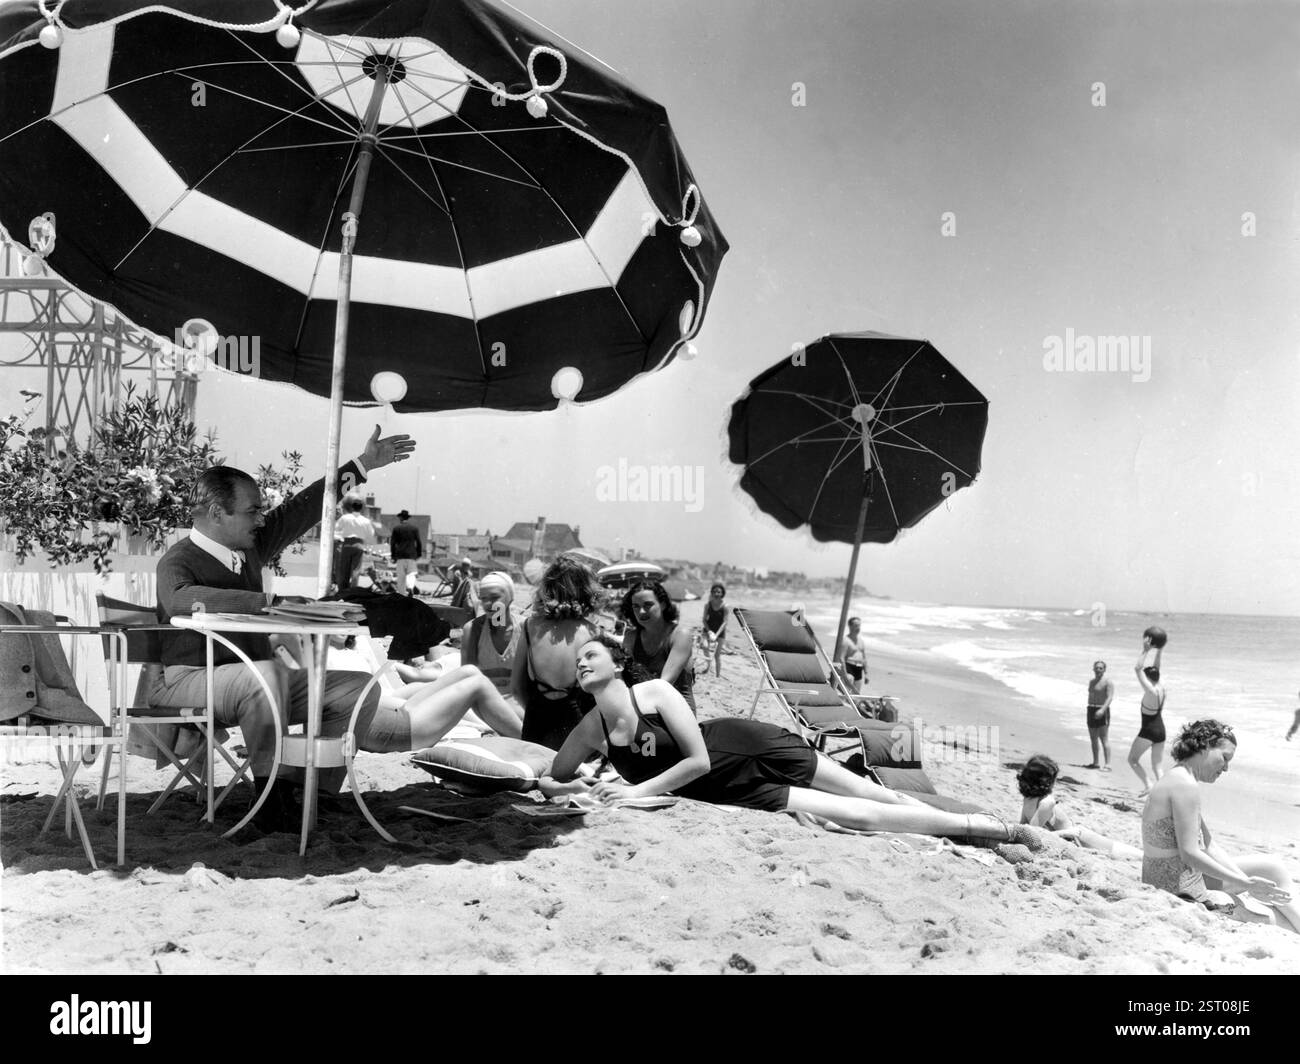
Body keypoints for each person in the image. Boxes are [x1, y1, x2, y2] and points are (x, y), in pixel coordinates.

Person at [539, 636, 1046, 848]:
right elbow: (551, 776)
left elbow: (697, 760)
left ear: (618, 664)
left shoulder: (654, 693)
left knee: (872, 793)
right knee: (859, 816)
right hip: (733, 791)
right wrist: (575, 785)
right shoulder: (590, 730)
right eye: (577, 659)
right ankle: (982, 831)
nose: (581, 662)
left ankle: (993, 826)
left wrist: (634, 791)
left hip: (748, 745)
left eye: (591, 654)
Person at [152, 426, 413, 831]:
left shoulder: (251, 546)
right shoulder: (177, 562)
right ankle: (272, 801)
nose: (261, 519)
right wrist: (268, 603)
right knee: (264, 677)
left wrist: (362, 465)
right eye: (252, 511)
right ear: (217, 514)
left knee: (358, 688)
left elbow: (303, 509)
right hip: (187, 680)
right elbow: (180, 600)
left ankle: (313, 795)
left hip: (256, 679)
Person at [1141, 720, 1298, 933]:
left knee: (1273, 866)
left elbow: (1209, 845)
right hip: (1181, 894)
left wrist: (1246, 882)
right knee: (1281, 921)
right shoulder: (1184, 785)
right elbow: (1190, 854)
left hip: (1173, 881)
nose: (1226, 768)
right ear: (1205, 746)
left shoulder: (1178, 777)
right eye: (1224, 758)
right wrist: (1247, 885)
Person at [510, 556, 603, 750]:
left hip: (535, 725)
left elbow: (516, 688)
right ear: (585, 590)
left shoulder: (529, 627)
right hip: (575, 728)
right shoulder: (593, 632)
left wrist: (534, 709)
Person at [1016, 754, 1140, 857]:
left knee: (1132, 854)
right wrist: (1066, 832)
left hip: (1079, 838)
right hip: (1075, 837)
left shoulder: (1035, 800)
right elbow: (1032, 834)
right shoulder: (1043, 802)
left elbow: (1028, 832)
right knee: (1128, 853)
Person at [621, 580, 696, 714]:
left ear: (663, 604)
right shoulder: (631, 637)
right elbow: (622, 676)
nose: (641, 611)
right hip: (642, 706)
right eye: (636, 606)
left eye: (648, 605)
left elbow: (664, 684)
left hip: (678, 712)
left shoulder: (680, 635)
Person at [460, 571, 520, 697]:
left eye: (494, 597)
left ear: (510, 598)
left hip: (518, 699)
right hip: (484, 699)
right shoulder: (472, 630)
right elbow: (468, 677)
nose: (487, 604)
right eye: (483, 598)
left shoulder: (525, 628)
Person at [1127, 634, 1167, 796]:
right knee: (1157, 766)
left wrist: (1145, 650)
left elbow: (1137, 668)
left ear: (1148, 678)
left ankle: (1149, 785)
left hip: (1149, 731)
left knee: (1132, 759)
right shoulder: (1161, 686)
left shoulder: (1150, 690)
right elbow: (1157, 668)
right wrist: (1159, 650)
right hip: (1161, 731)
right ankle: (1165, 792)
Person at [333, 494, 375, 592]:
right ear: (361, 508)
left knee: (344, 569)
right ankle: (353, 590)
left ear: (352, 507)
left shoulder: (345, 518)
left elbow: (336, 529)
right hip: (359, 544)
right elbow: (371, 534)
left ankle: (343, 590)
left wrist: (341, 537)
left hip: (347, 543)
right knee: (356, 569)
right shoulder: (365, 521)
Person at [1086, 660, 1114, 770]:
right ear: (1093, 669)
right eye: (1096, 668)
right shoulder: (1091, 681)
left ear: (1104, 670)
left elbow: (1110, 697)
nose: (1098, 670)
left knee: (1104, 738)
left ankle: (1108, 764)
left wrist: (1102, 710)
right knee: (1093, 738)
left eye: (1101, 668)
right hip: (1091, 709)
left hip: (1102, 709)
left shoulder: (1108, 682)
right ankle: (1096, 763)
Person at [698, 583, 730, 679]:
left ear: (722, 593)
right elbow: (704, 620)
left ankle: (717, 676)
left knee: (717, 655)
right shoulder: (708, 605)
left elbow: (725, 622)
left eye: (719, 592)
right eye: (715, 591)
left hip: (720, 632)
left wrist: (716, 635)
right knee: (704, 647)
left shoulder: (725, 606)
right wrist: (709, 632)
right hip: (708, 630)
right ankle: (708, 665)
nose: (716, 593)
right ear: (712, 592)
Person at [389, 509, 423, 596]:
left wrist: (393, 555)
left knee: (401, 576)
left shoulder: (396, 529)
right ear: (408, 518)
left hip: (400, 555)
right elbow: (418, 542)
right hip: (411, 555)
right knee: (411, 573)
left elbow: (393, 543)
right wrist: (419, 554)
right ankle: (410, 587)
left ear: (400, 518)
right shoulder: (414, 529)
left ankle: (402, 594)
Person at [838, 616, 869, 694]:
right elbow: (841, 658)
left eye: (859, 625)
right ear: (850, 626)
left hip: (859, 668)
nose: (858, 628)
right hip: (849, 667)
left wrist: (866, 674)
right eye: (856, 625)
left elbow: (864, 658)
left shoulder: (861, 641)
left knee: (856, 694)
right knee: (847, 692)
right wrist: (844, 674)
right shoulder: (846, 641)